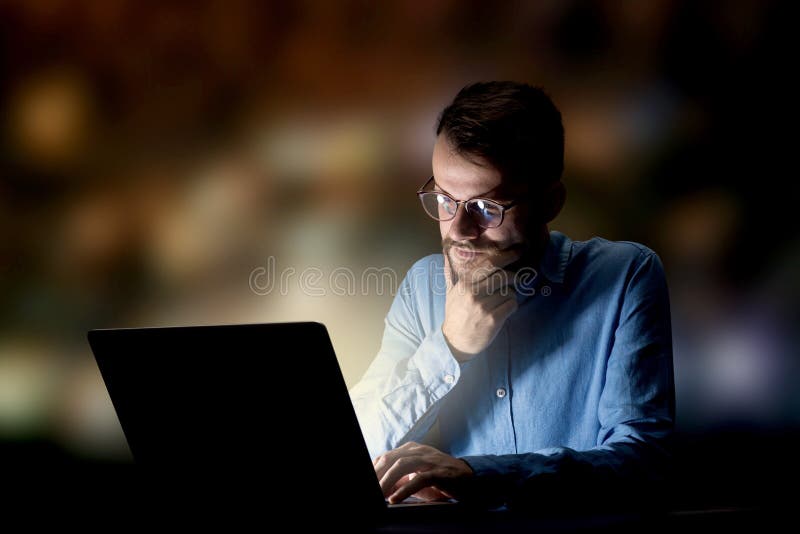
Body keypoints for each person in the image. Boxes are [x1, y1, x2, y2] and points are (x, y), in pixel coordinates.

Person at [349, 81, 675, 510]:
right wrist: (449, 347)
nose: (458, 230)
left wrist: (477, 475)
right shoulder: (422, 287)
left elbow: (642, 463)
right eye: (445, 199)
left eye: (487, 207)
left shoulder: (625, 276)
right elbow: (358, 446)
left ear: (550, 202)